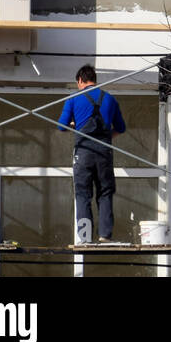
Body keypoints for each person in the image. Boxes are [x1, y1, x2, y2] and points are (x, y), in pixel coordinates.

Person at [58, 64, 126, 243]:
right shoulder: (110, 99)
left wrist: (73, 125)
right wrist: (106, 139)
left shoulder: (73, 99)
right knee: (105, 192)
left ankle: (85, 238)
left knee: (82, 193)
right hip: (104, 151)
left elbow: (61, 126)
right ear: (94, 80)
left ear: (80, 80)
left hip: (83, 152)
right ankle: (105, 235)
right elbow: (121, 128)